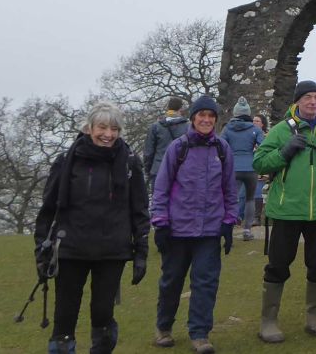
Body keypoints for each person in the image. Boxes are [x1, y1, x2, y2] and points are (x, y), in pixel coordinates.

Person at [34, 101, 149, 354]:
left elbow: (139, 210)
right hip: (70, 248)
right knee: (64, 317)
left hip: (112, 250)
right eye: (102, 127)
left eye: (114, 129)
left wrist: (141, 251)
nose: (108, 134)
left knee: (102, 314)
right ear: (90, 127)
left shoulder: (130, 163)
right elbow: (48, 208)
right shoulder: (66, 161)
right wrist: (41, 249)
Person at [252, 80, 316, 343]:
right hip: (285, 210)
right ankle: (268, 322)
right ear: (296, 101)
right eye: (307, 97)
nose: (313, 102)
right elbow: (259, 161)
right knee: (278, 266)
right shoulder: (282, 130)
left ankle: (314, 318)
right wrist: (284, 152)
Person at [151, 95, 238, 353]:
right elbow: (162, 188)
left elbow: (230, 190)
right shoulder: (178, 148)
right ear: (193, 118)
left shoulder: (223, 150)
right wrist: (160, 222)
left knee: (205, 283)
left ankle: (200, 334)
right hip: (177, 229)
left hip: (209, 231)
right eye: (202, 115)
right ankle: (163, 327)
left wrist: (229, 222)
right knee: (171, 281)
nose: (206, 120)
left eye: (211, 116)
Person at [222, 97, 264, 241]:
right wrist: (254, 155)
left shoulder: (227, 129)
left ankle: (229, 231)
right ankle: (247, 231)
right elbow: (263, 146)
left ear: (235, 113)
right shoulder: (255, 129)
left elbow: (220, 148)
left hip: (232, 167)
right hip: (251, 167)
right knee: (250, 199)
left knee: (231, 200)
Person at [143, 97, 188, 198]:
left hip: (158, 170)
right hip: (181, 171)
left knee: (159, 204)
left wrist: (149, 170)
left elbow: (148, 152)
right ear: (181, 109)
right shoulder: (188, 127)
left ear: (168, 108)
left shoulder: (155, 127)